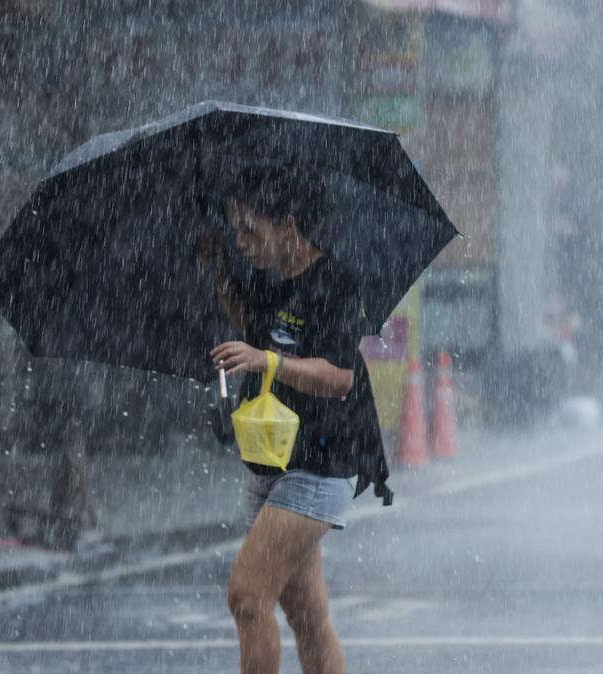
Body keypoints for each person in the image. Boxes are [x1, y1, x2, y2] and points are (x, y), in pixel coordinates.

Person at [199, 164, 390, 674]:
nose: (240, 240)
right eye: (233, 230)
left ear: (288, 225)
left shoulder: (334, 282)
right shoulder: (274, 282)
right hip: (274, 462)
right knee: (305, 614)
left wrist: (269, 362)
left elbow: (339, 376)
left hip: (320, 465)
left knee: (247, 594)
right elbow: (251, 322)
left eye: (249, 229)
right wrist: (218, 265)